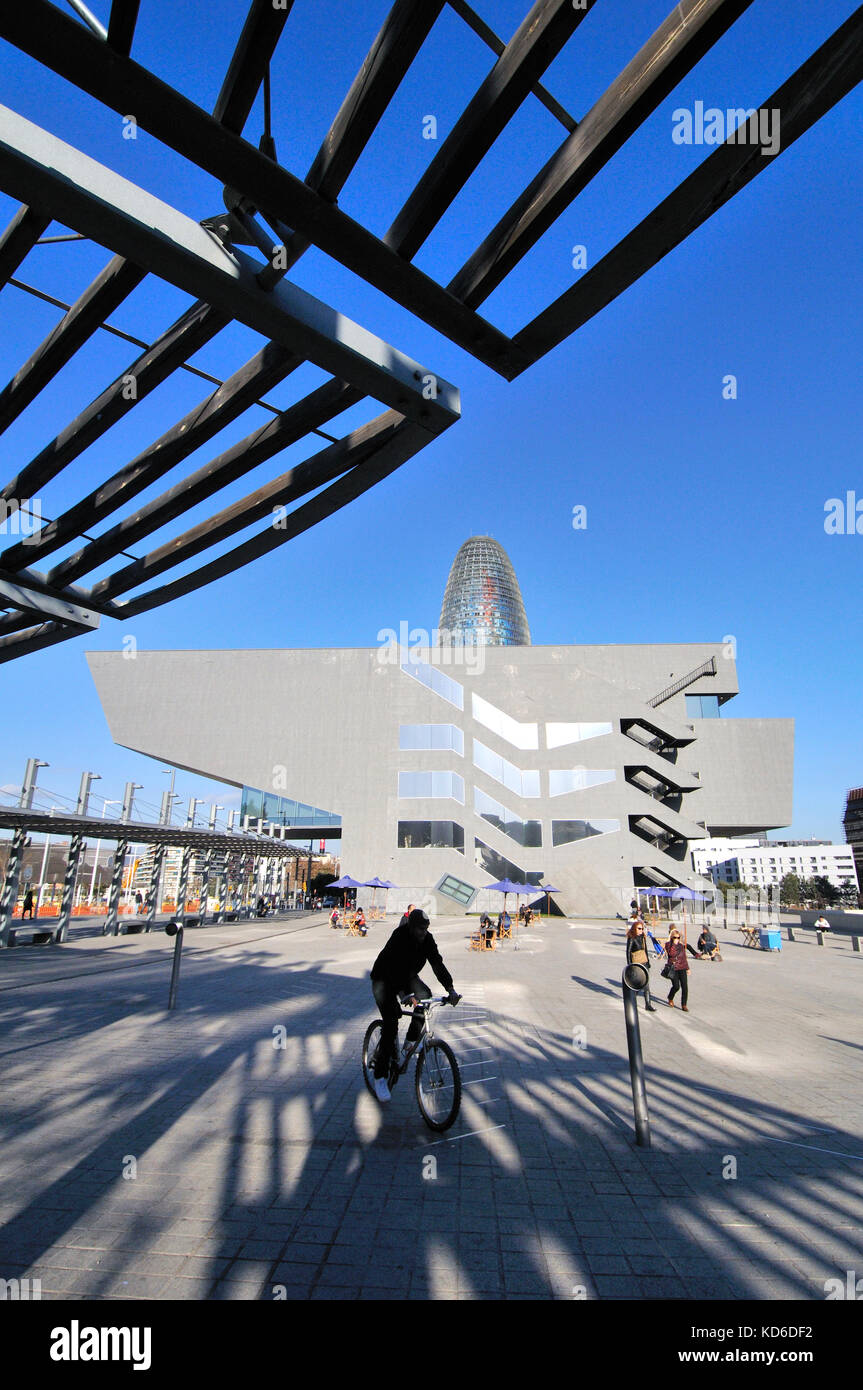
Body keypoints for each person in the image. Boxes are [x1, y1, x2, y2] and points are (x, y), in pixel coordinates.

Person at [369, 908, 459, 1102]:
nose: (422, 933)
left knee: (425, 996)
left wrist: (450, 989)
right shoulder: (399, 935)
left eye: (425, 928)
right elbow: (391, 966)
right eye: (419, 929)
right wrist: (403, 994)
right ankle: (380, 1077)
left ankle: (409, 1043)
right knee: (391, 1023)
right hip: (383, 979)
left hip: (407, 976)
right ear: (411, 926)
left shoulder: (427, 939)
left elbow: (437, 963)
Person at [626, 920, 657, 1012]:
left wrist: (648, 962)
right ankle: (631, 1002)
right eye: (639, 928)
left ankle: (648, 1004)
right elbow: (628, 952)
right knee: (638, 985)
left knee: (646, 985)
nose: (641, 930)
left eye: (642, 928)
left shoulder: (643, 937)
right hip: (636, 964)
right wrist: (629, 965)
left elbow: (645, 950)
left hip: (644, 962)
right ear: (634, 929)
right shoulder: (632, 938)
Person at [664, 927, 690, 1011]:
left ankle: (684, 1004)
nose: (677, 939)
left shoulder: (681, 946)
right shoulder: (668, 945)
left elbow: (684, 957)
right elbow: (671, 954)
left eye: (678, 937)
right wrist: (673, 944)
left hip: (682, 967)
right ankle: (670, 997)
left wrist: (687, 968)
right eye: (675, 937)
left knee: (685, 987)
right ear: (672, 937)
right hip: (673, 968)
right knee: (676, 986)